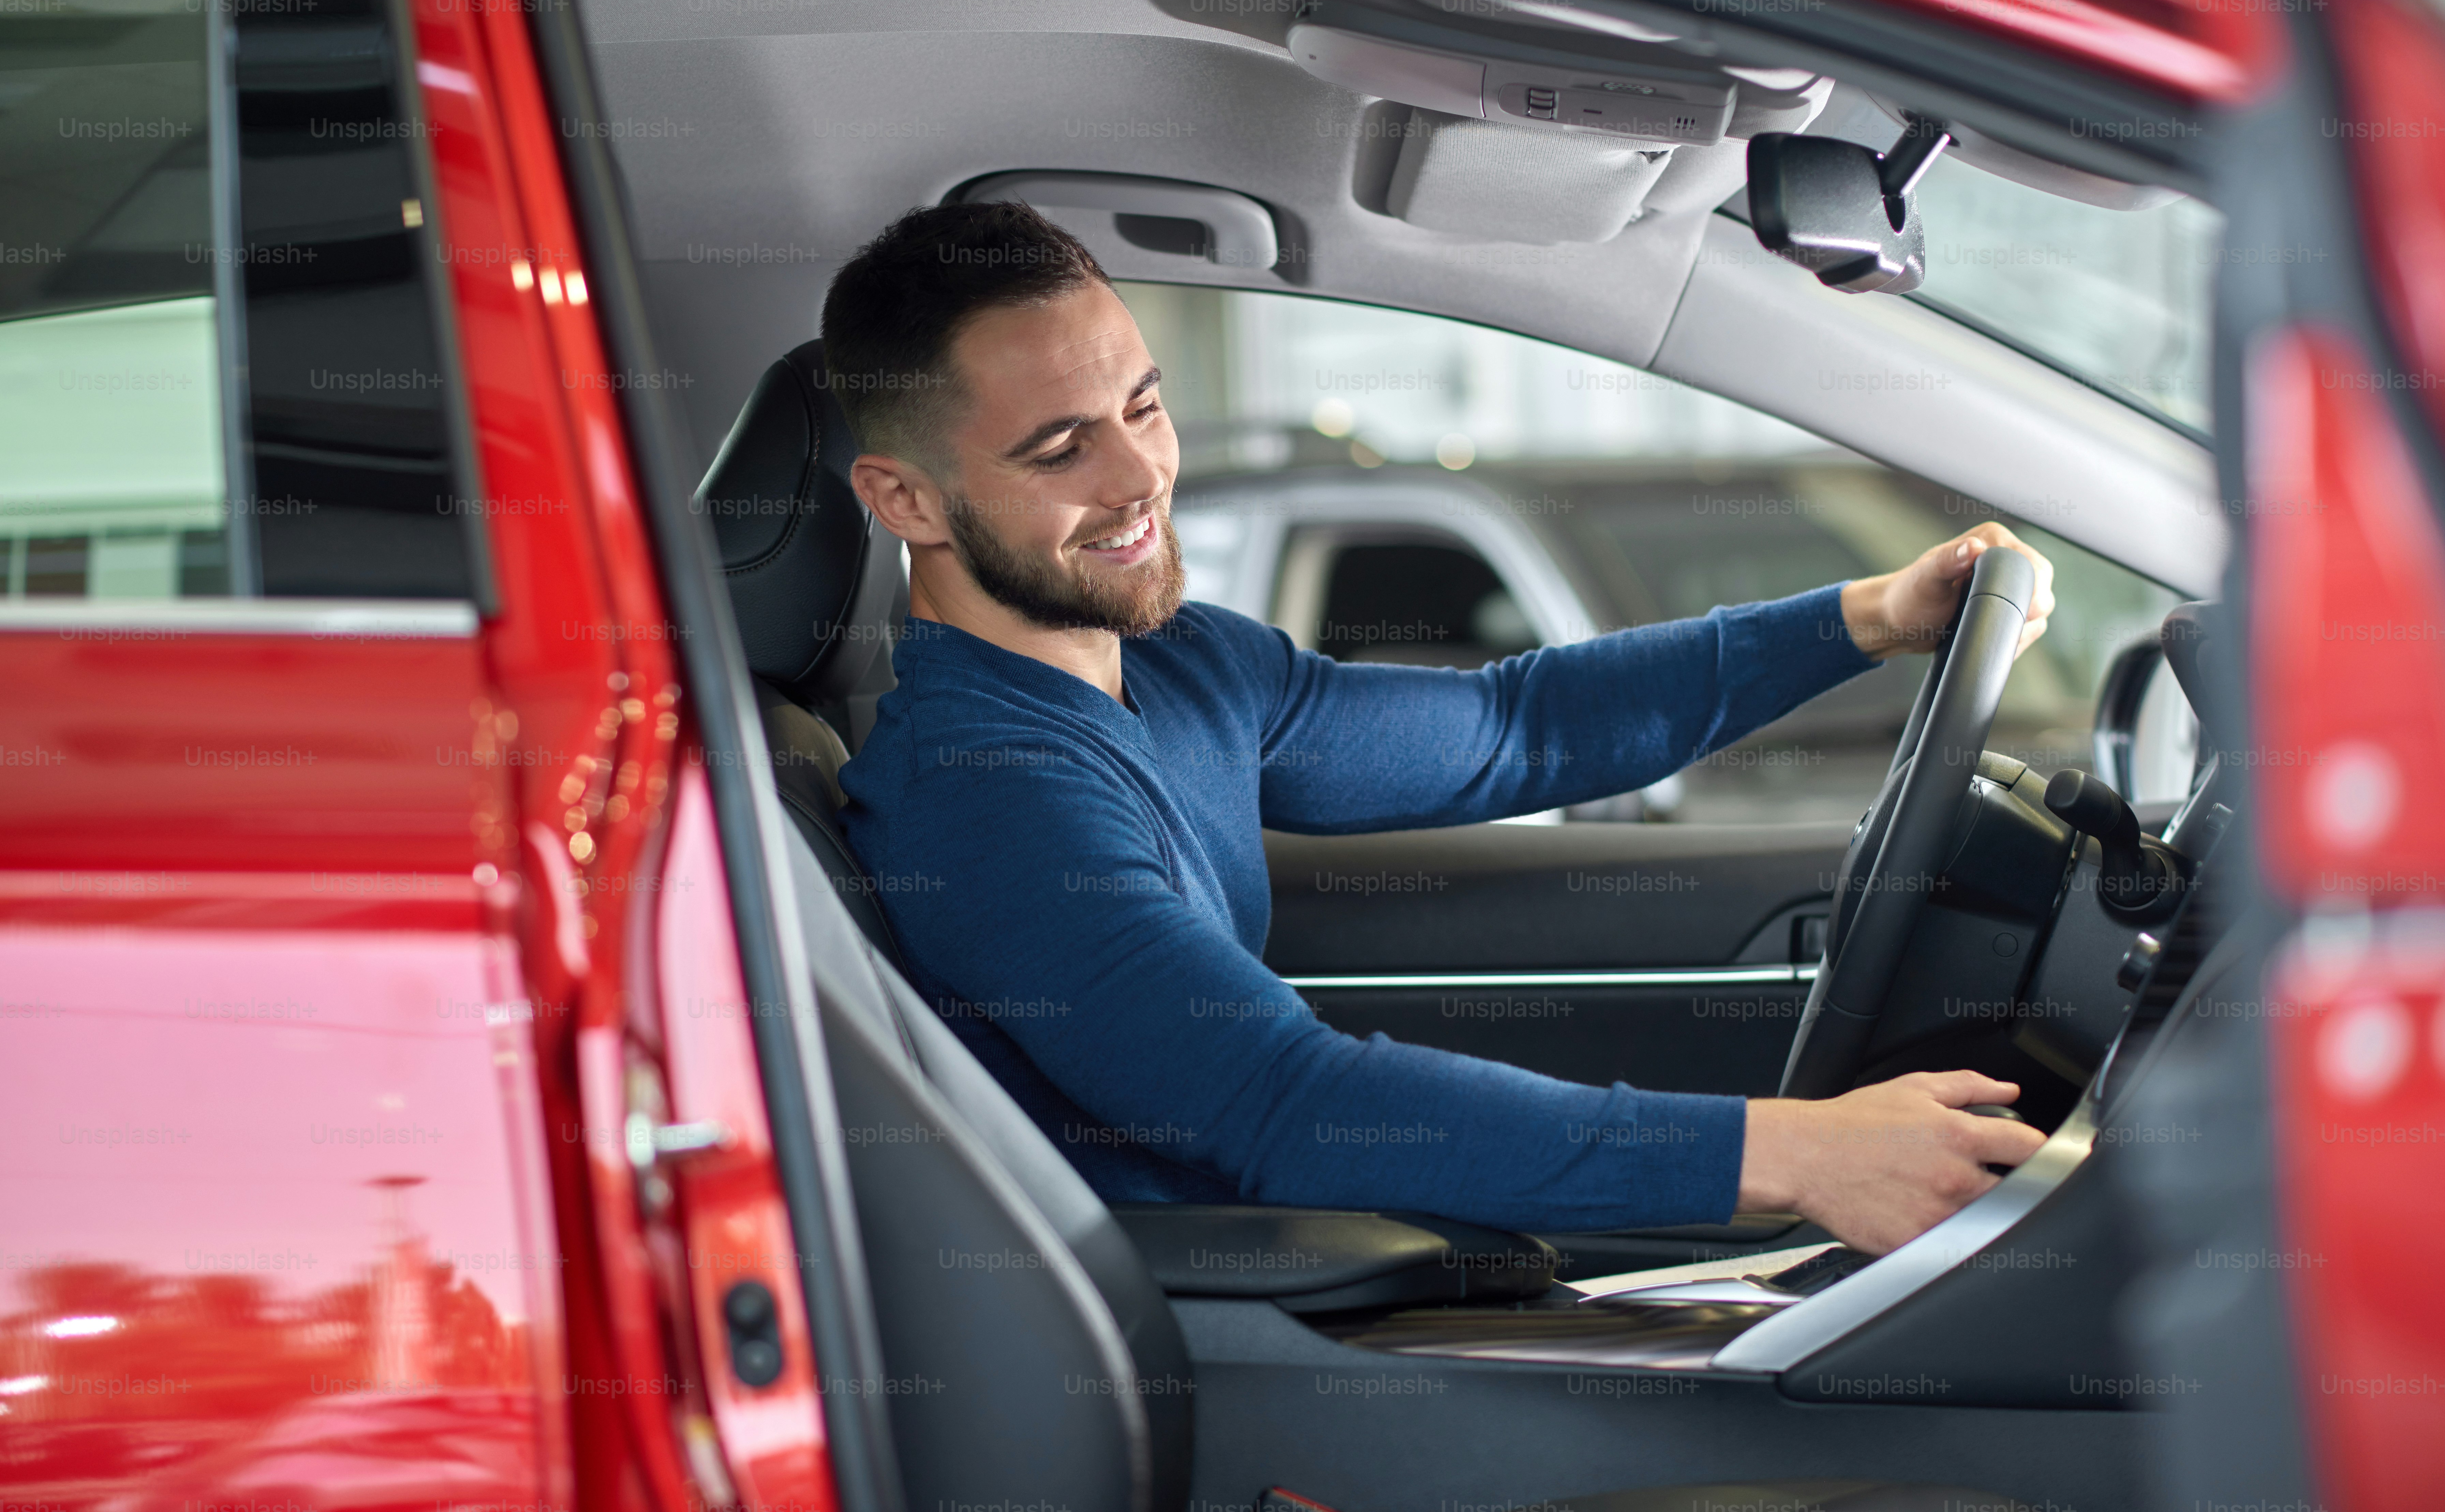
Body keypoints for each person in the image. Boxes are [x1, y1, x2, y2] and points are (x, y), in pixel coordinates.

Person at [829, 201, 2054, 1254]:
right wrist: (1793, 1154)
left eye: (1144, 407)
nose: (1140, 476)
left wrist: (1868, 617)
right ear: (905, 499)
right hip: (1211, 1330)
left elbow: (1515, 727)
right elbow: (1287, 1108)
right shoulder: (982, 791)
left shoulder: (1184, 666)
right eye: (1061, 449)